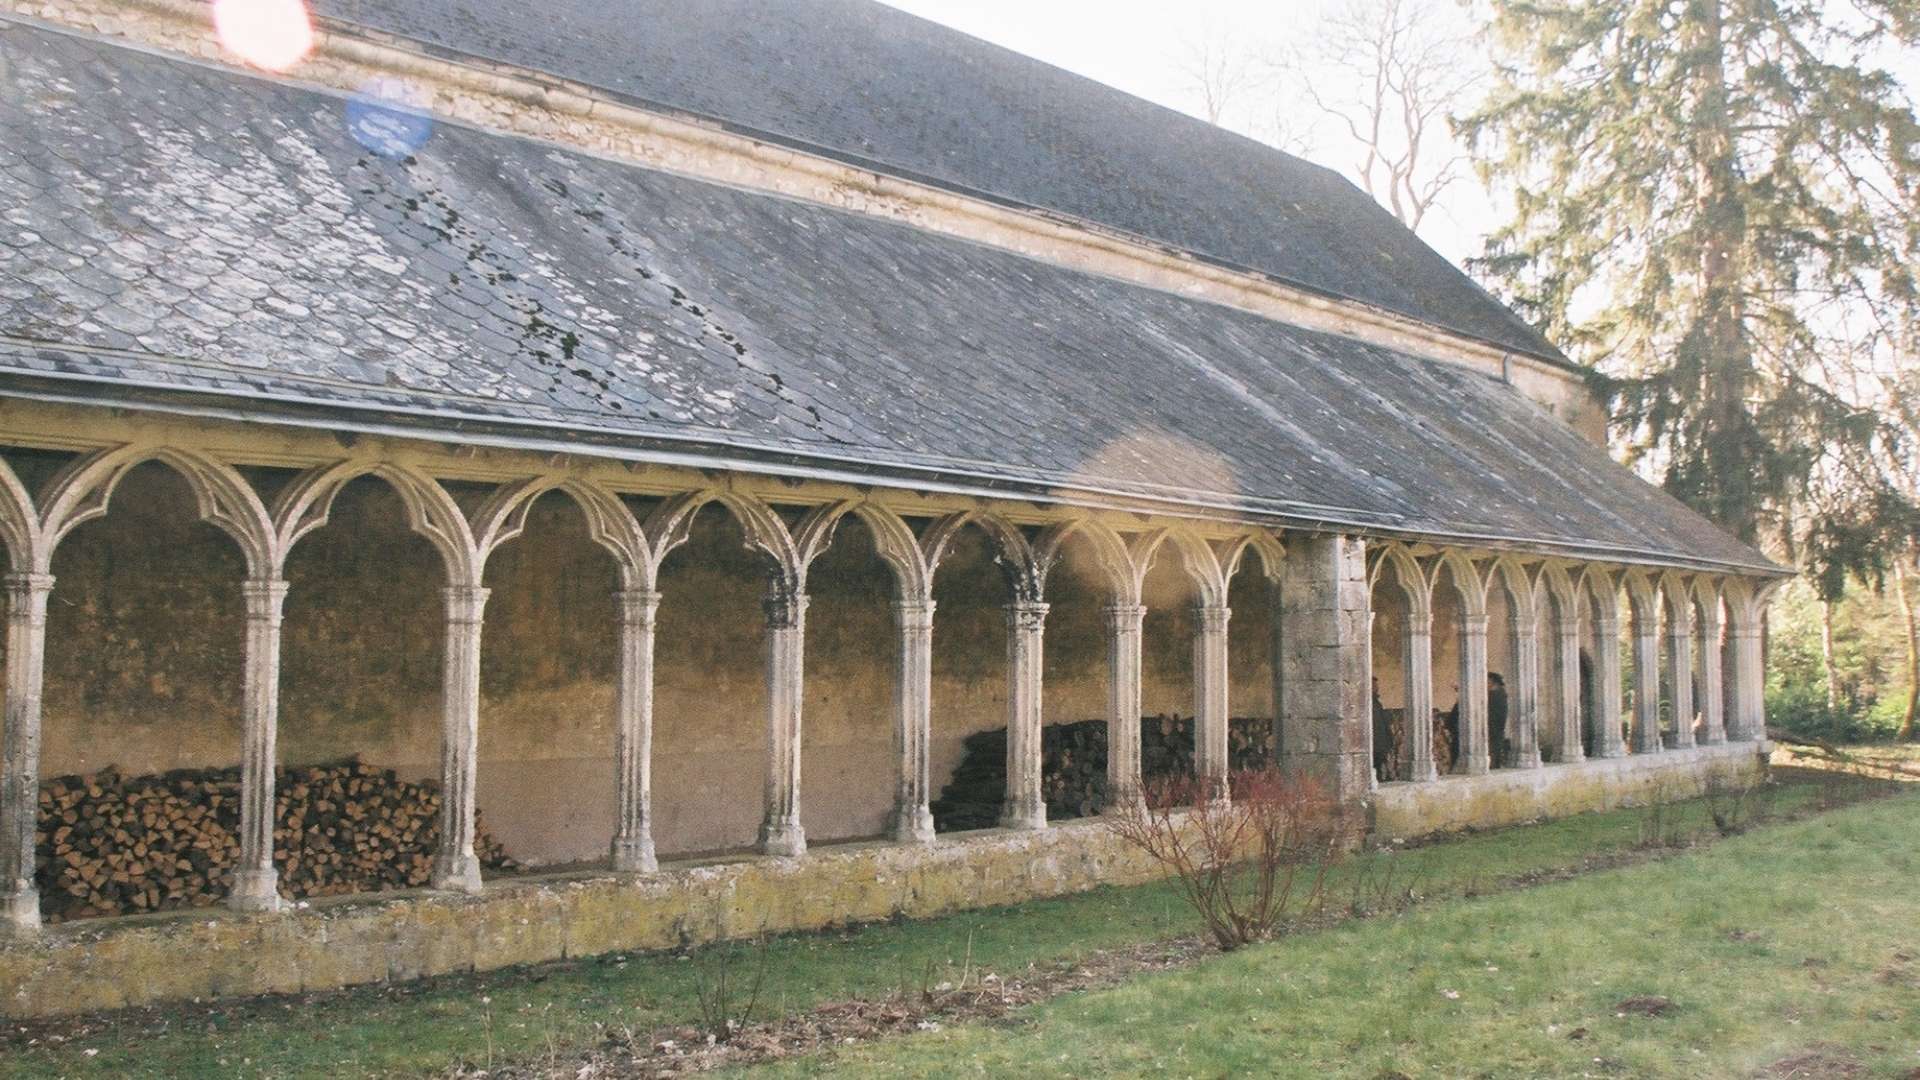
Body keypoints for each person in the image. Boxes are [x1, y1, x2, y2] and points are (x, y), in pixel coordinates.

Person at [1371, 677, 1392, 781]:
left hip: (1380, 745)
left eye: (1376, 686)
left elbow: (1383, 724)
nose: (1377, 688)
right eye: (1374, 686)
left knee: (1379, 769)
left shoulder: (1376, 703)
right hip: (1375, 745)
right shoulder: (1369, 704)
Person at [1488, 672, 1510, 767]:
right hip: (1497, 726)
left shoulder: (1495, 694)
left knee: (1493, 749)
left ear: (1493, 681)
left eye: (1488, 681)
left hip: (1494, 725)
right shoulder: (1500, 693)